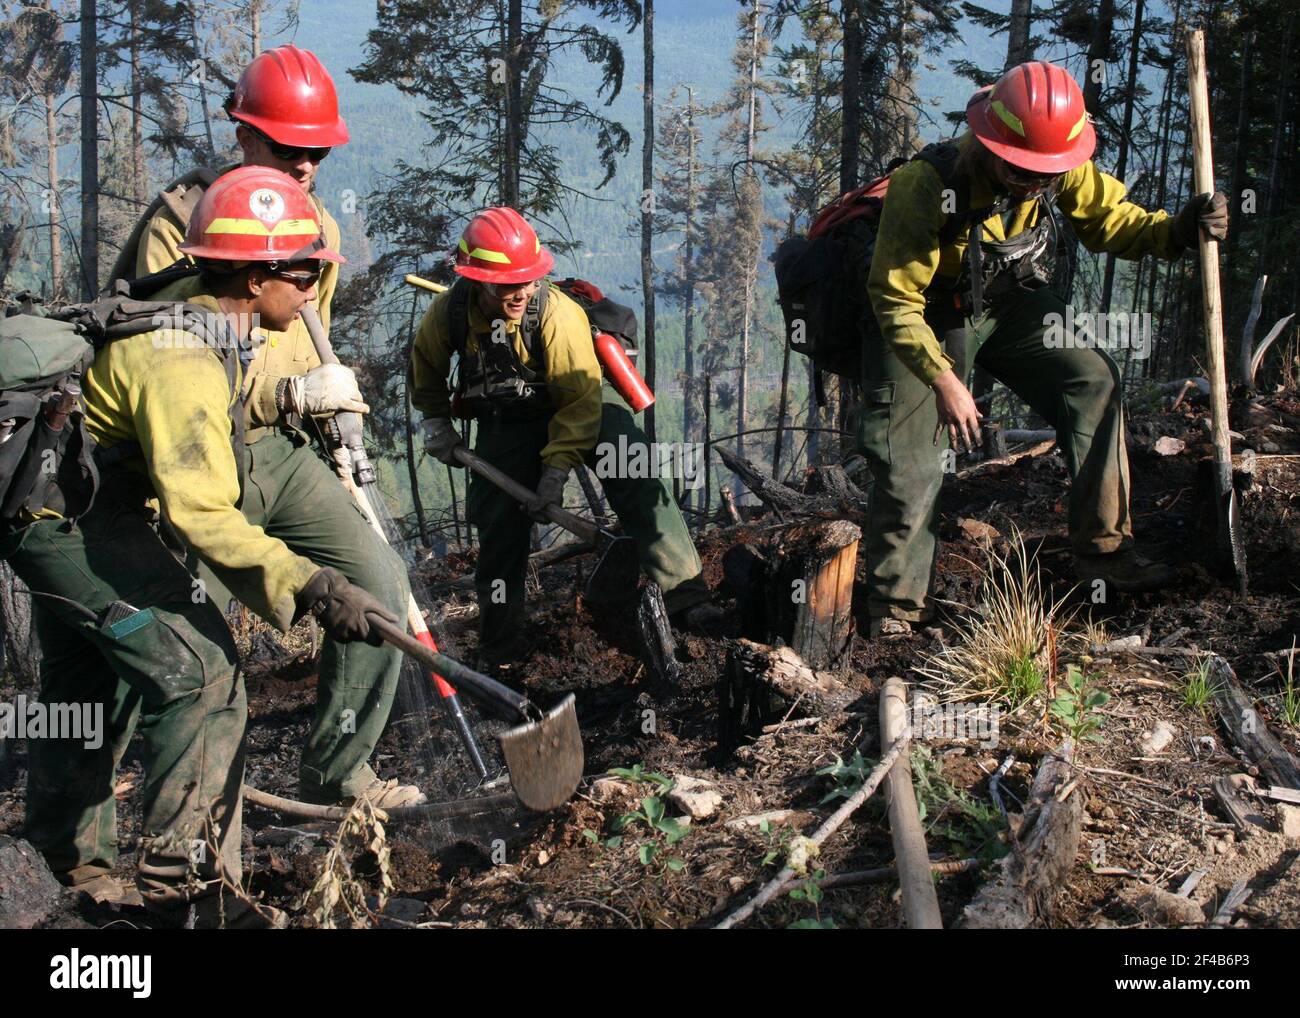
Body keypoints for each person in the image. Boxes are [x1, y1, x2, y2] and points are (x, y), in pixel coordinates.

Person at [2, 167, 402, 925]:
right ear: (253, 278)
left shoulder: (203, 309)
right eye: (303, 273)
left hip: (62, 501)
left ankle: (66, 865)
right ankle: (190, 897)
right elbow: (201, 513)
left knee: (86, 683)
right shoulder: (183, 359)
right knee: (202, 677)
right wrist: (312, 584)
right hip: (67, 520)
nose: (314, 289)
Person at [113, 46, 420, 806]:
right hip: (188, 455)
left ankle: (338, 774)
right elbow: (167, 365)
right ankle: (110, 790)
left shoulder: (315, 224)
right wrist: (286, 396)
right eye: (288, 148)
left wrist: (325, 403)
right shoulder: (180, 227)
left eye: (319, 151)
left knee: (377, 583)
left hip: (277, 452)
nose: (306, 165)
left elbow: (304, 334)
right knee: (173, 632)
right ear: (244, 135)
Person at [860, 59, 1228, 637]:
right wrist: (944, 379)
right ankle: (897, 607)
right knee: (914, 453)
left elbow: (1112, 221)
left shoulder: (1058, 160)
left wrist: (1178, 230)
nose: (1035, 184)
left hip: (1006, 303)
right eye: (1022, 172)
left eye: (1044, 175)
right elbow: (895, 299)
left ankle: (1104, 552)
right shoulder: (925, 184)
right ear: (991, 145)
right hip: (924, 317)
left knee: (1093, 378)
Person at [409, 207, 716, 672]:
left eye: (528, 281)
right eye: (507, 285)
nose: (520, 292)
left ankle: (686, 596)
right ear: (477, 281)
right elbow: (425, 365)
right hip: (508, 414)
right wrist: (435, 421)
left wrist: (554, 472)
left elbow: (579, 405)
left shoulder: (558, 315)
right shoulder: (450, 311)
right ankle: (501, 648)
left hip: (582, 399)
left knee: (630, 466)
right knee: (498, 520)